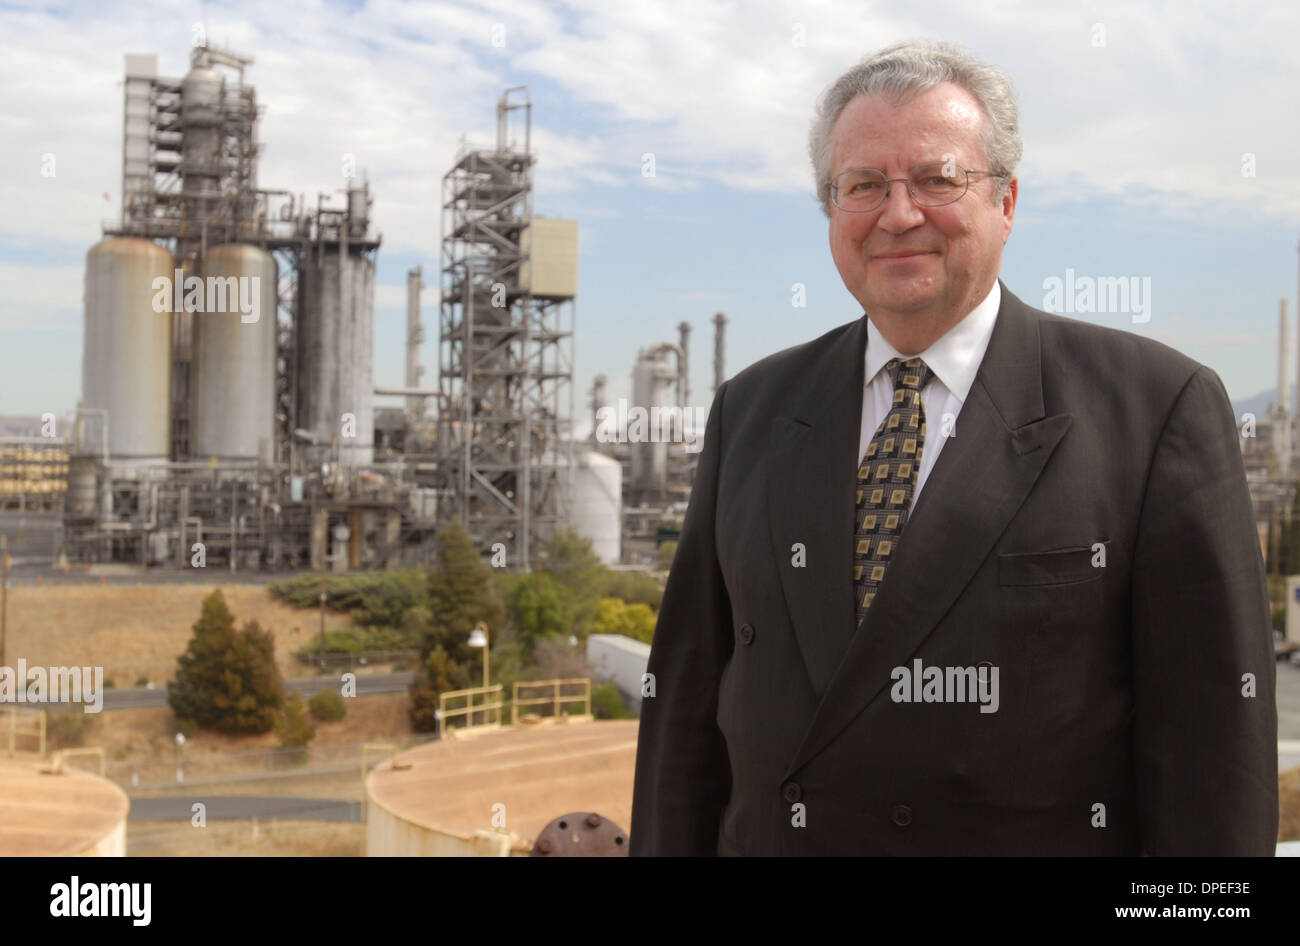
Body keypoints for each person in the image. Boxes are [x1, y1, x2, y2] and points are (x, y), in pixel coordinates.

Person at [628, 39, 1278, 856]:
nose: (898, 215)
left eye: (937, 179)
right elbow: (684, 718)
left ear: (1006, 202)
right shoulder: (750, 412)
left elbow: (1212, 759)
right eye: (863, 185)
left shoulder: (1155, 412)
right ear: (832, 211)